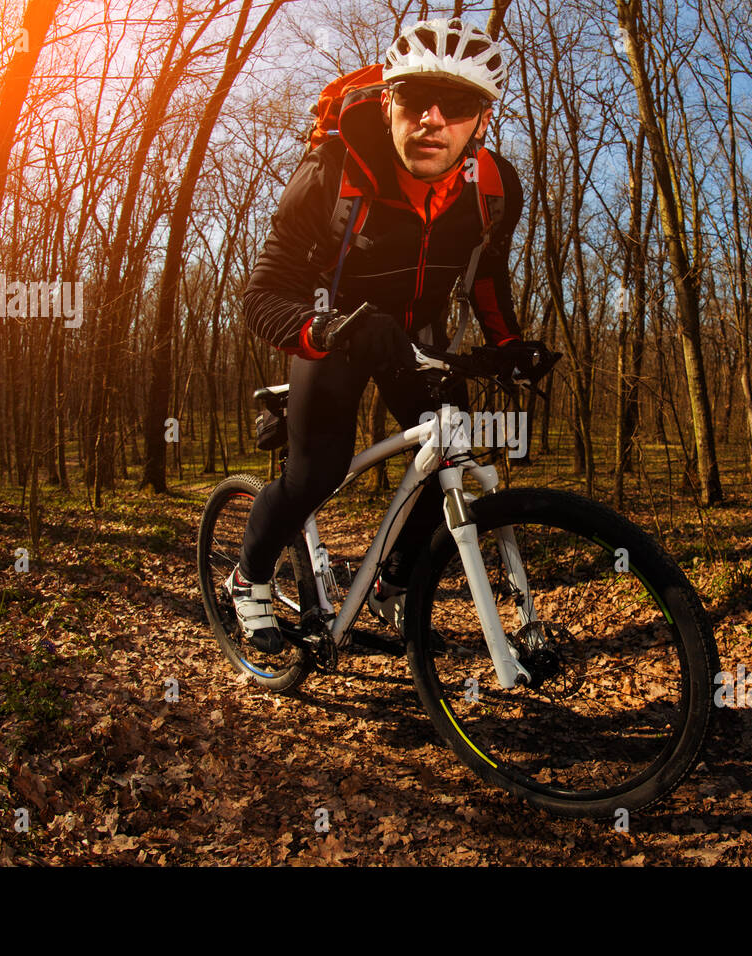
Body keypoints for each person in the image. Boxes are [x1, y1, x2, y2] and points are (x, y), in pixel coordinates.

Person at [228, 17, 536, 652]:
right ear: (388, 102)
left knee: (449, 451)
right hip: (333, 320)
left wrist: (509, 345)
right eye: (413, 99)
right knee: (316, 470)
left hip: (415, 331)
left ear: (481, 121)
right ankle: (248, 578)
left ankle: (397, 586)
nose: (431, 119)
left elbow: (486, 278)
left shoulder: (494, 188)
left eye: (455, 105)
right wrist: (326, 328)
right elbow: (259, 294)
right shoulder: (334, 169)